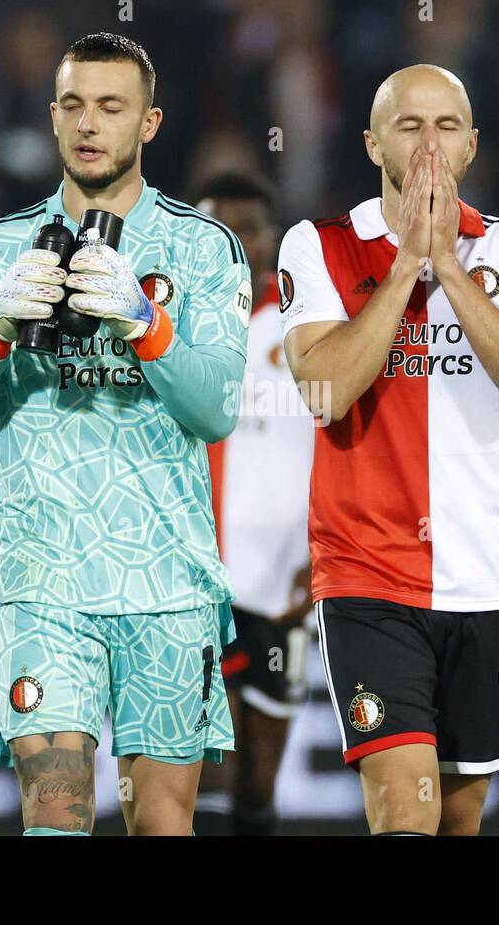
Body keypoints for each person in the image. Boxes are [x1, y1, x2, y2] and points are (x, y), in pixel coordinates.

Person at [0, 33, 250, 836]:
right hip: (43, 579)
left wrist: (146, 322)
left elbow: (215, 411)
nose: (88, 124)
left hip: (168, 581)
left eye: (111, 106)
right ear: (52, 117)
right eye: (72, 105)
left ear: (149, 123)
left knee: (162, 821)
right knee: (56, 811)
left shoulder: (203, 247)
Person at [279, 65, 499, 835]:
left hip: (487, 580)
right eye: (409, 126)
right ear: (373, 143)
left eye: (446, 126)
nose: (429, 144)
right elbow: (324, 392)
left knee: (459, 821)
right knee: (405, 810)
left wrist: (449, 265)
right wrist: (409, 260)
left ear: (472, 145)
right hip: (369, 577)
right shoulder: (320, 246)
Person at [192, 172, 315, 836]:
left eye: (248, 229)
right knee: (210, 765)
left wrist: (321, 556)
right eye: (218, 227)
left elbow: (341, 451)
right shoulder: (163, 328)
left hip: (280, 586)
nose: (234, 242)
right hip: (191, 584)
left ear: (272, 240)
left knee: (257, 785)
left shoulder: (308, 331)